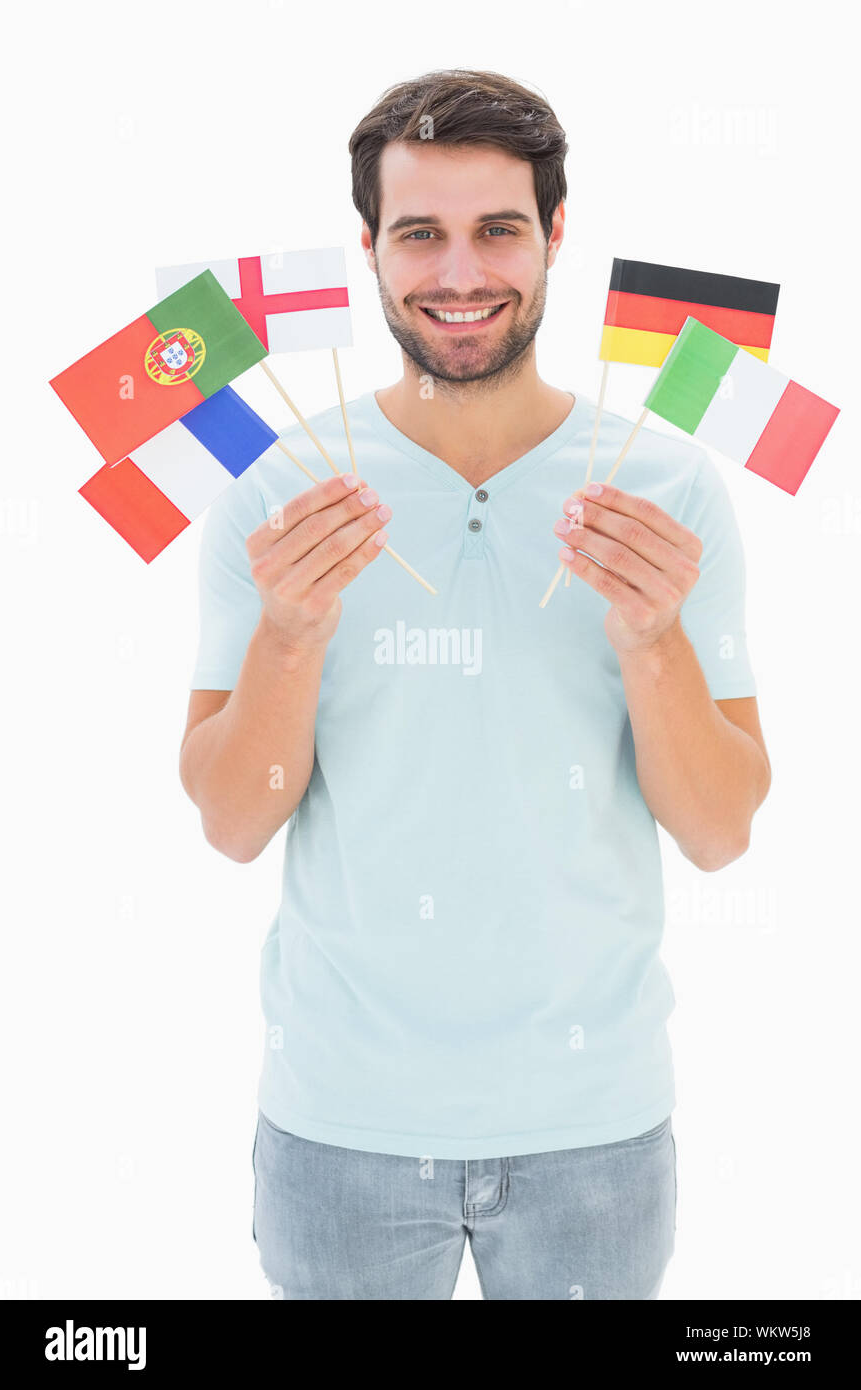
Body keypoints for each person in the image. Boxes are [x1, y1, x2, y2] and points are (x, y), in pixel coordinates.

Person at [179, 68, 771, 1300]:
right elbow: (233, 822)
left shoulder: (668, 493)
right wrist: (287, 634)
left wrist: (654, 639)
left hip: (592, 1128)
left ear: (556, 234)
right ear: (369, 251)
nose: (460, 273)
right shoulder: (278, 489)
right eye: (420, 234)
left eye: (497, 228)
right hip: (339, 1125)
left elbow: (719, 831)